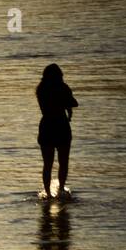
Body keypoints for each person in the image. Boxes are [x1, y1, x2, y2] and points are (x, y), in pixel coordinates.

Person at [36, 63, 78, 199]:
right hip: (61, 126)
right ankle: (60, 190)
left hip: (47, 125)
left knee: (47, 163)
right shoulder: (63, 88)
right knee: (63, 161)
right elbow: (73, 103)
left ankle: (47, 193)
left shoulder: (41, 89)